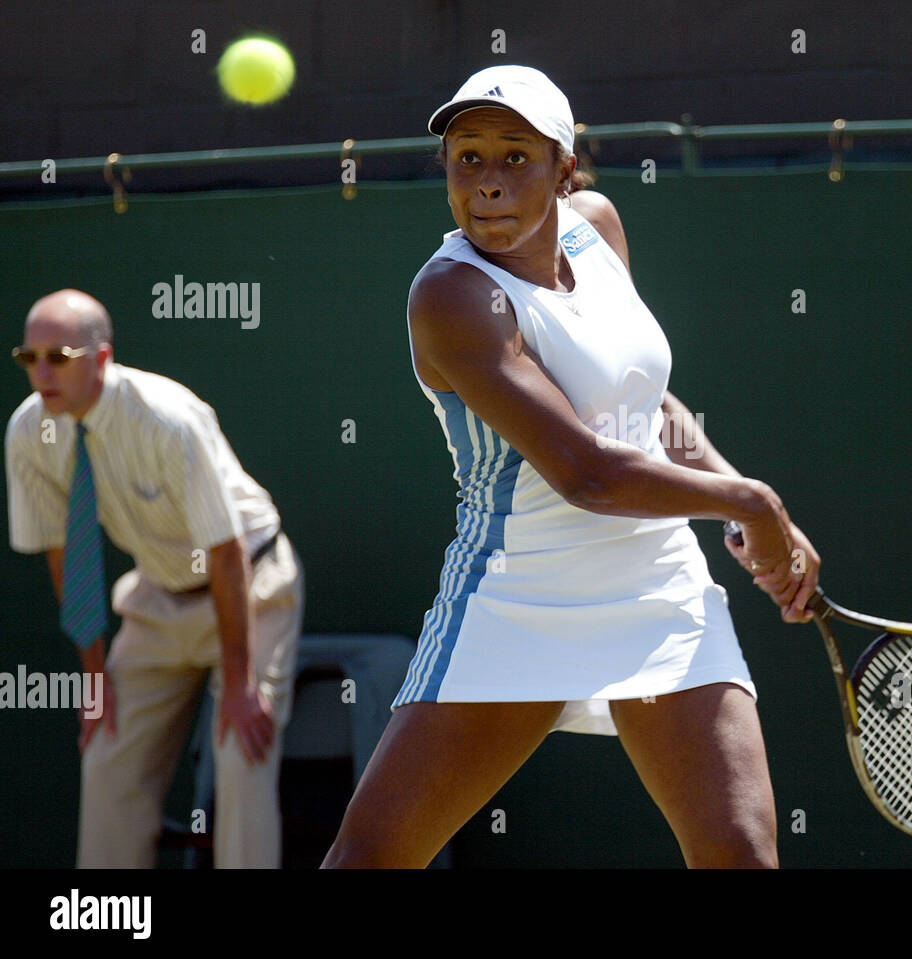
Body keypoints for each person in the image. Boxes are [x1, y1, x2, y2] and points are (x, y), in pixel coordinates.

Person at [322, 65, 820, 869]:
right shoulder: (452, 297)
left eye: (515, 157)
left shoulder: (598, 228)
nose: (486, 182)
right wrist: (753, 500)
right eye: (467, 157)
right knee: (371, 858)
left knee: (741, 854)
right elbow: (586, 473)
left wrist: (740, 508)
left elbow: (641, 405)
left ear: (565, 166)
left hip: (660, 584)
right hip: (521, 594)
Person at [5, 289, 304, 868]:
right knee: (105, 753)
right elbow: (66, 557)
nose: (41, 373)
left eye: (58, 356)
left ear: (101, 357)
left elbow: (225, 553)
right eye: (28, 358)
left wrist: (240, 684)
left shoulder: (169, 418)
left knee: (241, 757)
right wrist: (95, 677)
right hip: (155, 597)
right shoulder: (29, 433)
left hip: (249, 586)